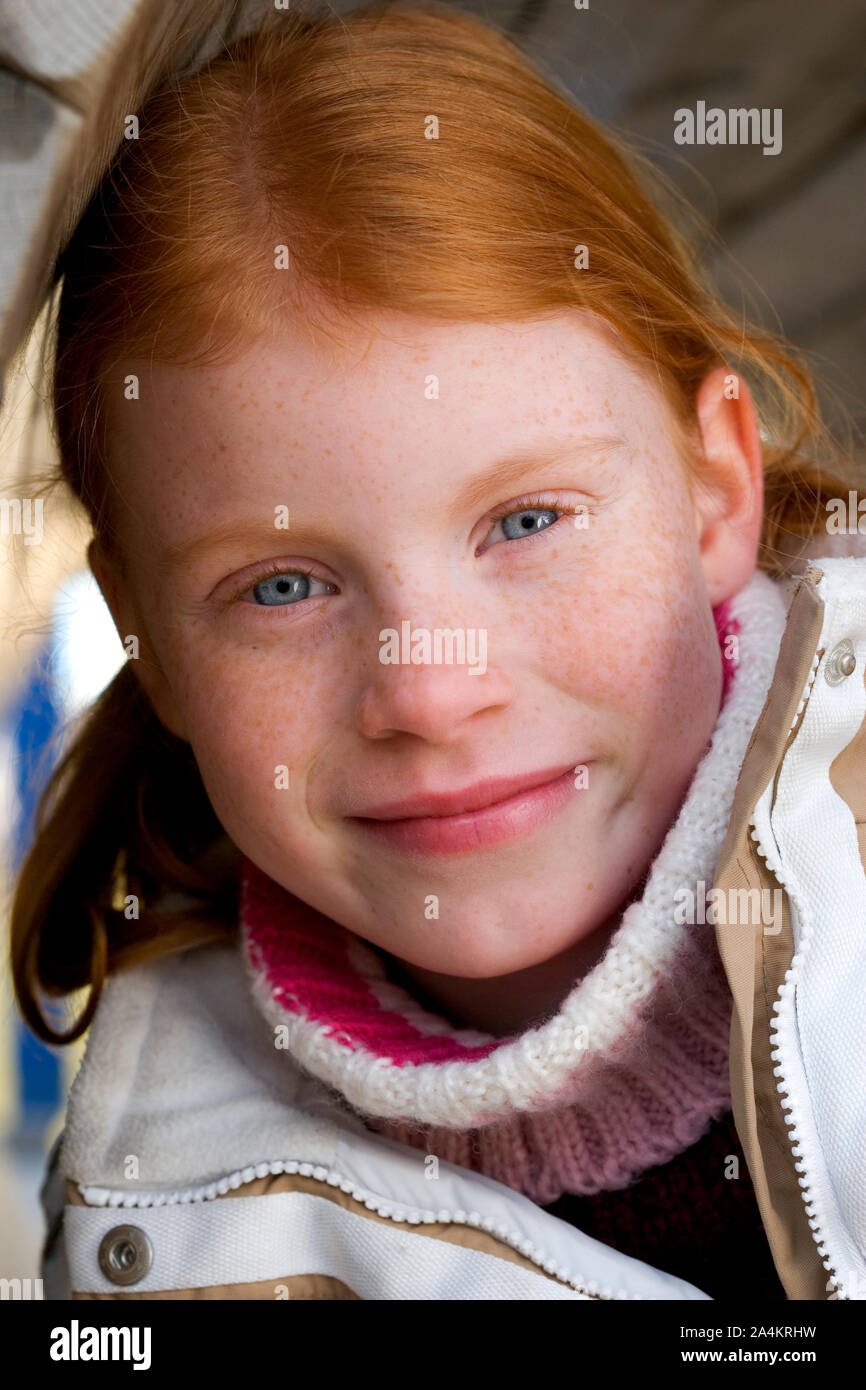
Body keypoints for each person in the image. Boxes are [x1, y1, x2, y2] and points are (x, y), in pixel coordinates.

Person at [7, 1, 866, 1301]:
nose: (428, 689)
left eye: (525, 520)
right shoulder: (163, 1244)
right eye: (282, 585)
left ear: (714, 492)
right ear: (148, 639)